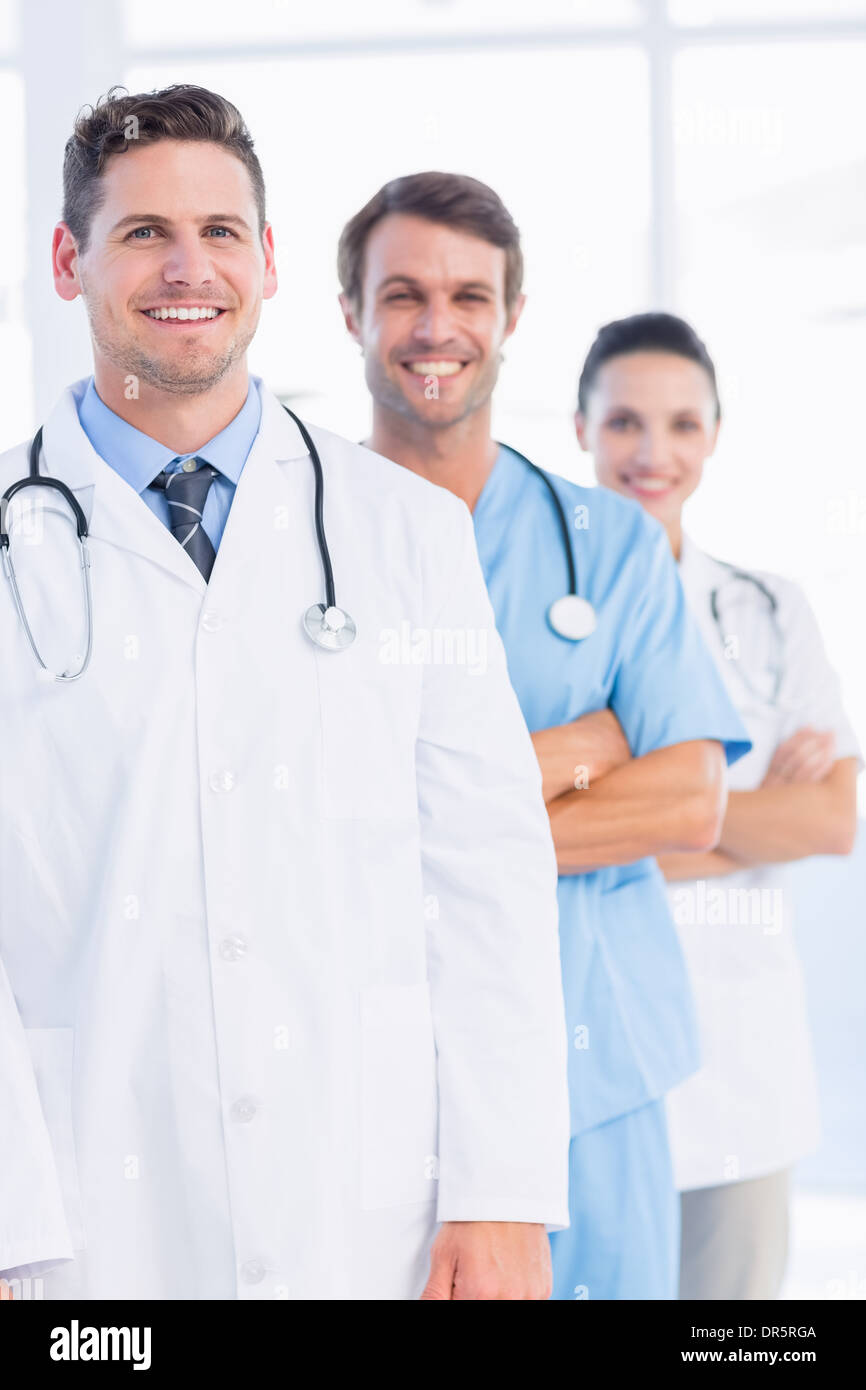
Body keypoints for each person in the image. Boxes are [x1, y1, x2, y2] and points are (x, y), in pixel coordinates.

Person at [0, 86, 573, 1302]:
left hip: (367, 1202)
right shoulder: (13, 540)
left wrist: (502, 1191)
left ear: (264, 261)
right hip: (85, 1205)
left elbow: (484, 875)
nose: (186, 265)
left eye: (219, 231)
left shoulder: (406, 534)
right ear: (68, 260)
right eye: (143, 232)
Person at [338, 172, 751, 1300]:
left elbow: (687, 801)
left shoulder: (604, 544)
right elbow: (302, 819)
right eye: (403, 294)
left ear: (510, 317)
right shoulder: (304, 541)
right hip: (370, 1082)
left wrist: (421, 817)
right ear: (349, 313)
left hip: (594, 1075)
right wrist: (579, 750)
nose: (437, 327)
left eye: (469, 295)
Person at [577, 310, 861, 1300]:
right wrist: (743, 812)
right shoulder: (532, 605)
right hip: (586, 1066)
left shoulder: (769, 607)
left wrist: (632, 810)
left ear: (712, 435)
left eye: (681, 425)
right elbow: (519, 830)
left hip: (742, 1072)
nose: (652, 453)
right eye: (623, 423)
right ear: (580, 428)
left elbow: (829, 819)